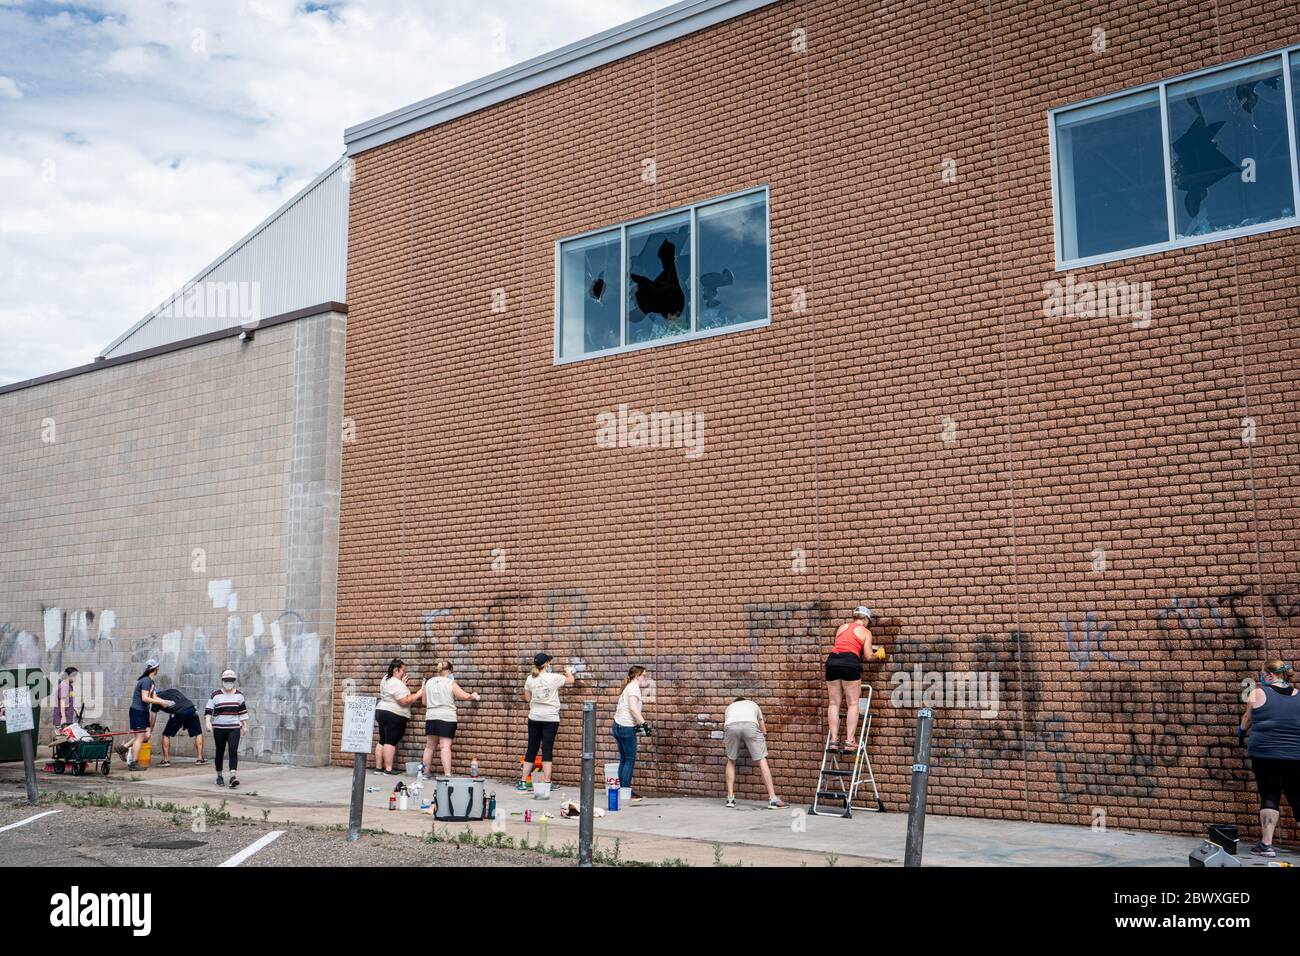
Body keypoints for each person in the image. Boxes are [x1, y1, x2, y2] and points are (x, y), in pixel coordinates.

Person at [1240, 659, 1300, 857]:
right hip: (1295, 754)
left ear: (1269, 675)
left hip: (1265, 754)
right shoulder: (1299, 696)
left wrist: (1240, 733)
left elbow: (1247, 719)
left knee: (1270, 795)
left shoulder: (1257, 692)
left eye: (1261, 673)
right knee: (1297, 796)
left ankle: (1267, 845)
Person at [518, 653, 574, 791]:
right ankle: (547, 783)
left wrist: (536, 704)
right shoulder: (554, 677)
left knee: (531, 749)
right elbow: (571, 680)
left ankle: (523, 782)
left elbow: (527, 697)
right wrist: (568, 671)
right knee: (547, 750)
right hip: (550, 719)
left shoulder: (530, 679)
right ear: (547, 664)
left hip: (534, 717)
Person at [417, 660, 480, 776]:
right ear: (449, 671)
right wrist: (474, 696)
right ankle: (447, 774)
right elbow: (464, 696)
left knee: (429, 747)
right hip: (446, 717)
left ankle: (425, 773)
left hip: (431, 717)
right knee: (445, 747)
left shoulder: (429, 682)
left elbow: (424, 702)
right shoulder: (450, 683)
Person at [722, 696, 786, 809]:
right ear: (745, 700)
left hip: (730, 726)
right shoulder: (753, 704)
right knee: (762, 760)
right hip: (750, 724)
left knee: (731, 760)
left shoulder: (729, 707)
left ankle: (730, 798)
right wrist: (760, 740)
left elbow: (727, 725)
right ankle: (772, 799)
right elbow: (763, 730)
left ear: (736, 702)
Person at [826, 606, 873, 750]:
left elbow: (841, 646)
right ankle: (850, 741)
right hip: (849, 663)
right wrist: (879, 654)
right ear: (865, 619)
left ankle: (833, 741)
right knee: (853, 703)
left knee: (834, 703)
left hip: (832, 661)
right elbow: (868, 655)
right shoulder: (866, 631)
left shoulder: (842, 627)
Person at [119, 660, 173, 771]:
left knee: (147, 735)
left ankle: (123, 748)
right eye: (158, 668)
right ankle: (134, 763)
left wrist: (166, 701)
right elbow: (144, 698)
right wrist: (160, 703)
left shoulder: (151, 682)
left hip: (143, 711)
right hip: (137, 711)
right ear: (156, 668)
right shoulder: (146, 681)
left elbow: (154, 697)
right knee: (139, 738)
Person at [611, 665, 649, 805]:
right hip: (626, 728)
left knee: (624, 759)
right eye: (644, 675)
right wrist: (644, 724)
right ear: (637, 676)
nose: (645, 677)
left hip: (618, 726)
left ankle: (623, 790)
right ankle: (626, 791)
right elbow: (633, 708)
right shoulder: (634, 688)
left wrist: (637, 725)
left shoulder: (628, 687)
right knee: (629, 760)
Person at [205, 669, 248, 788]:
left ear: (234, 681)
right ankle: (219, 776)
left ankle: (233, 776)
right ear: (222, 681)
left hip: (234, 727)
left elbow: (243, 711)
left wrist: (245, 725)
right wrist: (208, 722)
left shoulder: (239, 695)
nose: (228, 683)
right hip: (219, 728)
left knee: (233, 750)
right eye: (226, 680)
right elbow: (208, 710)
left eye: (231, 680)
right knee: (220, 751)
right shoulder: (215, 695)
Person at [375, 658, 417, 775]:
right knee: (391, 741)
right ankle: (388, 769)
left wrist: (402, 684)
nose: (405, 672)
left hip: (381, 711)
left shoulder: (385, 679)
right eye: (403, 670)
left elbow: (391, 692)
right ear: (396, 670)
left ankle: (378, 768)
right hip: (393, 714)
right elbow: (404, 701)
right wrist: (419, 693)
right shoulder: (396, 682)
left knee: (382, 740)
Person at [150, 687, 205, 766]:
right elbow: (181, 702)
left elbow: (153, 718)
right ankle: (200, 759)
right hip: (191, 708)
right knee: (198, 733)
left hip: (178, 712)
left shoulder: (156, 701)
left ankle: (166, 761)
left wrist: (151, 729)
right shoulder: (172, 690)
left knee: (166, 735)